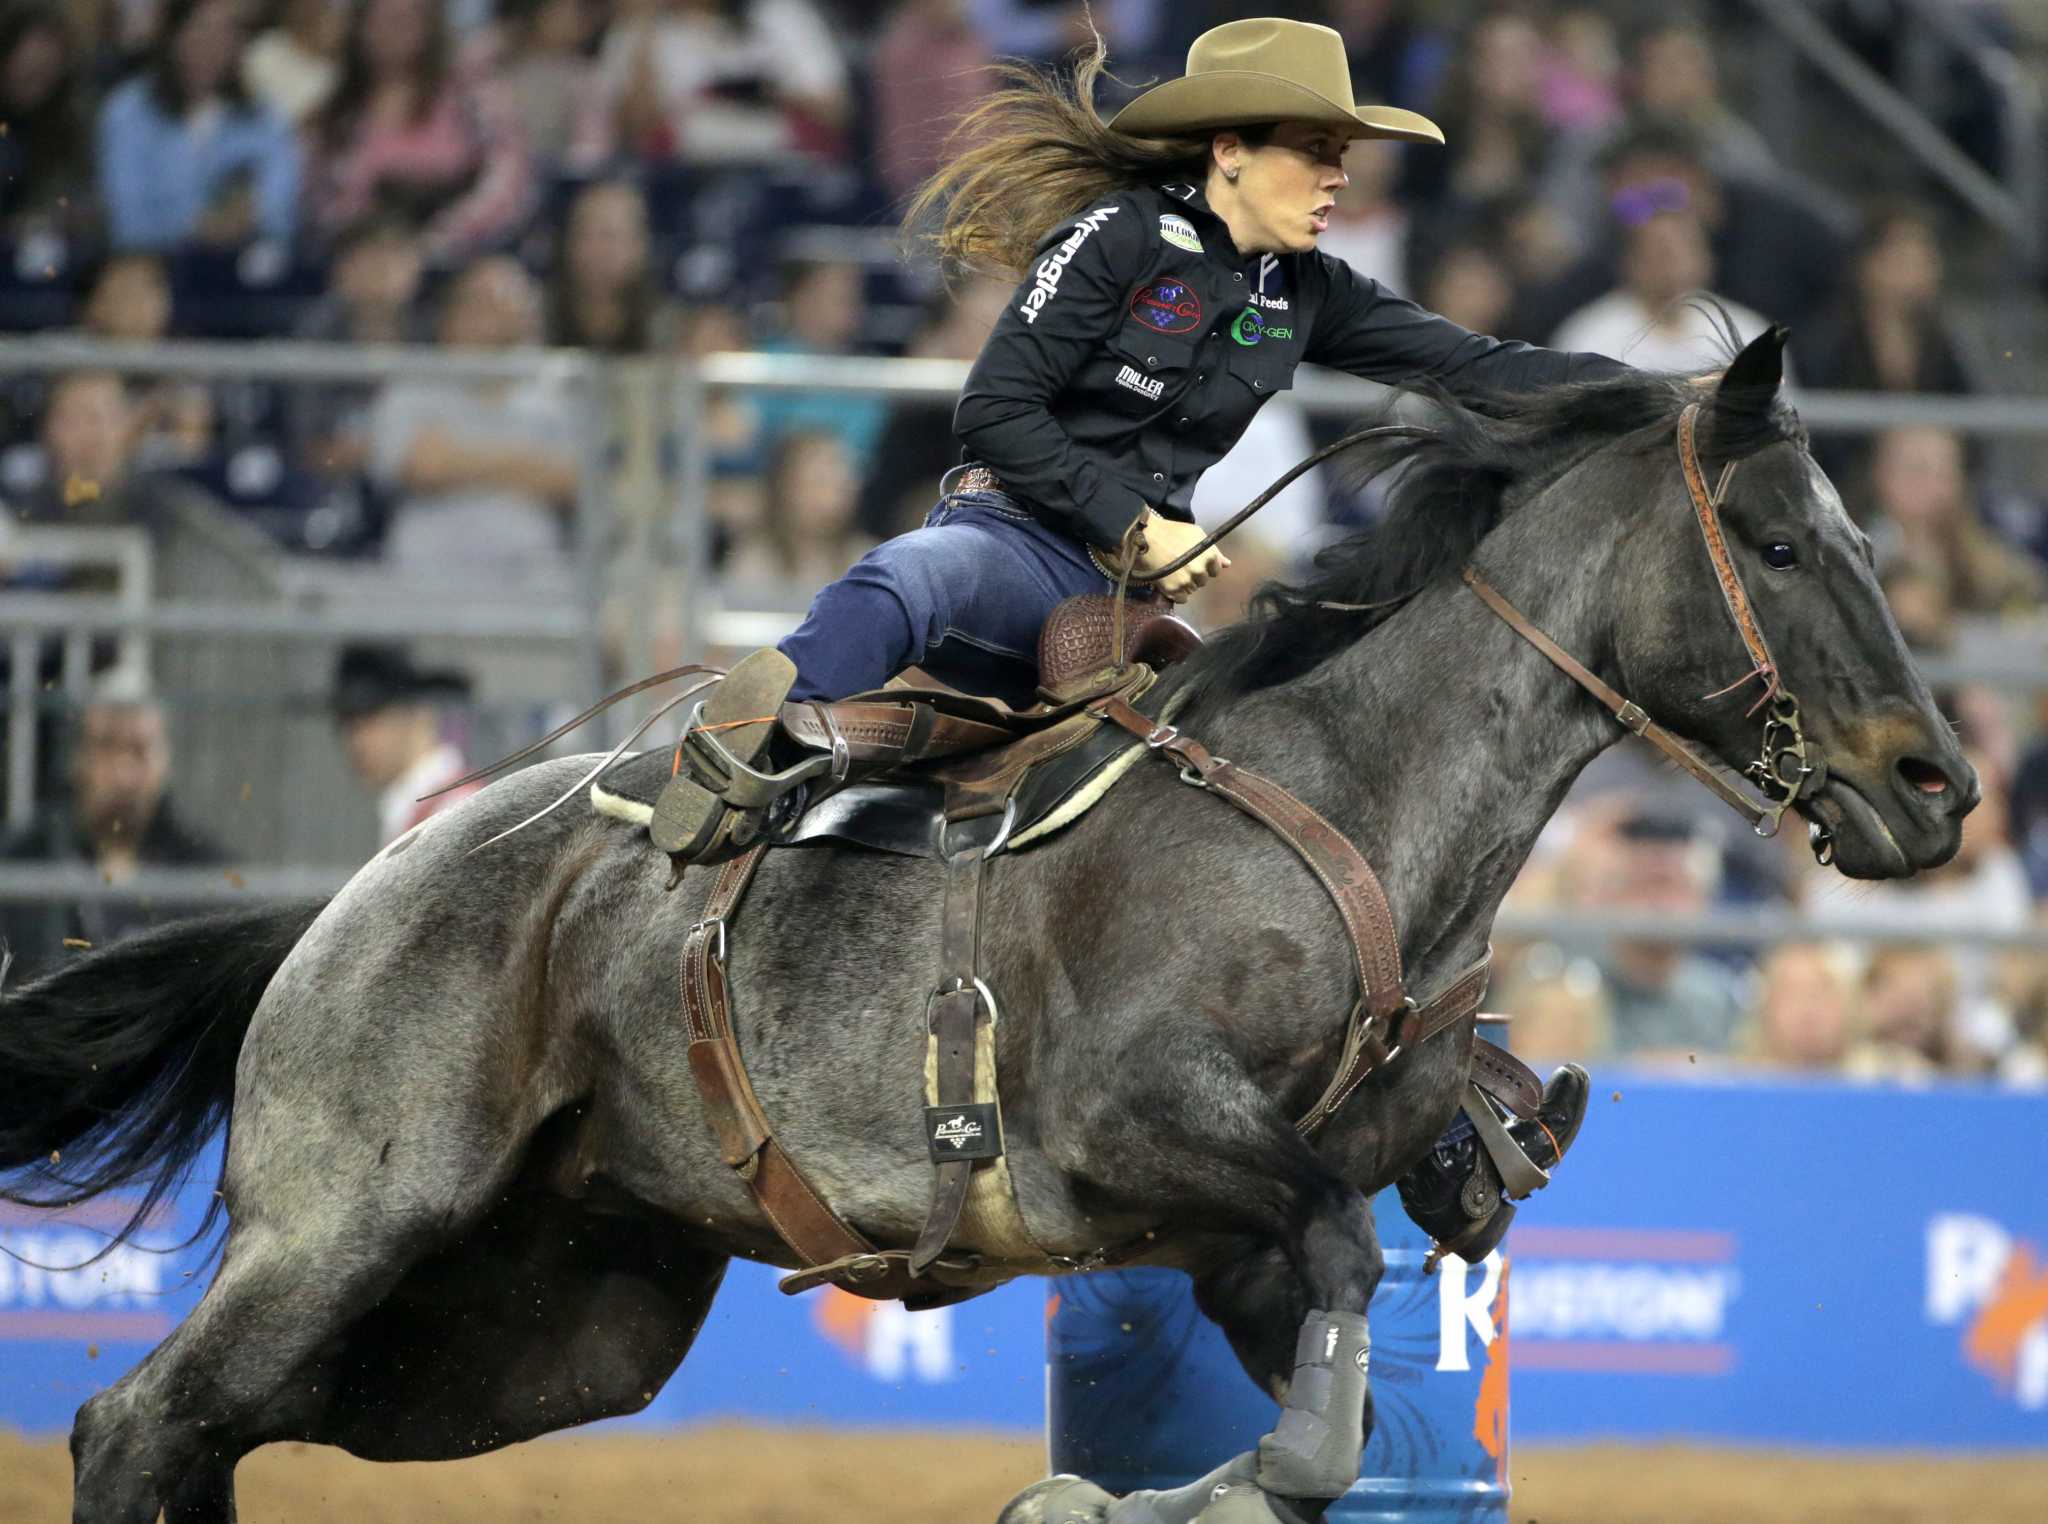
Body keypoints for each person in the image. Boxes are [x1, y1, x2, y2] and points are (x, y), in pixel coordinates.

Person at [666, 17, 1615, 1261]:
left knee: (1267, 818)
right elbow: (991, 410)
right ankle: (745, 742)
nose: (1337, 176)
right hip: (1018, 542)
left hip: (1126, 610)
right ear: (1227, 150)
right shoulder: (1118, 238)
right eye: (1312, 149)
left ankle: (1432, 1106)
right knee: (919, 578)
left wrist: (1666, 404)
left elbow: (1474, 364)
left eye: (1342, 153)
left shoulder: (1302, 291)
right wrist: (1138, 523)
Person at [0, 675, 227, 981]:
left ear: (165, 761)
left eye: (140, 750)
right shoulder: (22, 868)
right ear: (76, 758)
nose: (124, 774)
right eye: (106, 747)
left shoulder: (208, 879)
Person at [309, 0, 534, 267]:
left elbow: (508, 174)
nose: (392, 31)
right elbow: (326, 205)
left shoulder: (470, 93)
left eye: (405, 18)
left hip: (462, 257)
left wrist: (445, 236)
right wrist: (377, 246)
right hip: (370, 265)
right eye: (380, 19)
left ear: (429, 23)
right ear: (360, 26)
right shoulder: (339, 115)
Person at [95, 0, 302, 250]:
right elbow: (127, 220)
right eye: (200, 29)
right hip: (154, 268)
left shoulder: (263, 119)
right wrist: (198, 228)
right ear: (173, 34)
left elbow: (282, 213)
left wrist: (247, 218)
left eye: (225, 32)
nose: (211, 45)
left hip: (241, 268)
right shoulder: (128, 112)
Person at [328, 643, 480, 842]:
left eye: (369, 719)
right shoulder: (411, 809)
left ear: (416, 713)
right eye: (347, 724)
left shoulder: (458, 809)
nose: (356, 741)